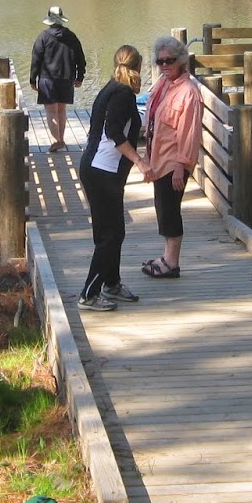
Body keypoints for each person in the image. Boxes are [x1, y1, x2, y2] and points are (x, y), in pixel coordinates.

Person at [77, 46, 153, 311]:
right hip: (102, 171)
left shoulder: (111, 87)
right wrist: (141, 161)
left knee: (109, 232)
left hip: (98, 169)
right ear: (139, 66)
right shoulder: (122, 94)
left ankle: (112, 283)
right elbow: (114, 134)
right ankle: (89, 293)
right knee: (111, 235)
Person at [140, 36, 203, 280]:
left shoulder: (188, 92)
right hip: (159, 158)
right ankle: (166, 257)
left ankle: (172, 263)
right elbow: (153, 120)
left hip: (174, 162)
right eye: (160, 61)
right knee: (163, 208)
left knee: (170, 209)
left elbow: (189, 132)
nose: (164, 65)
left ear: (181, 61)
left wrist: (181, 166)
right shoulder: (163, 84)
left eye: (170, 60)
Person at [29, 6, 86, 152]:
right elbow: (81, 58)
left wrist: (32, 79)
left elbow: (36, 59)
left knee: (51, 112)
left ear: (49, 20)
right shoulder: (72, 37)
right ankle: (61, 139)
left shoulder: (43, 37)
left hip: (48, 80)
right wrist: (80, 77)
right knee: (61, 110)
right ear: (61, 20)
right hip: (66, 79)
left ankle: (57, 140)